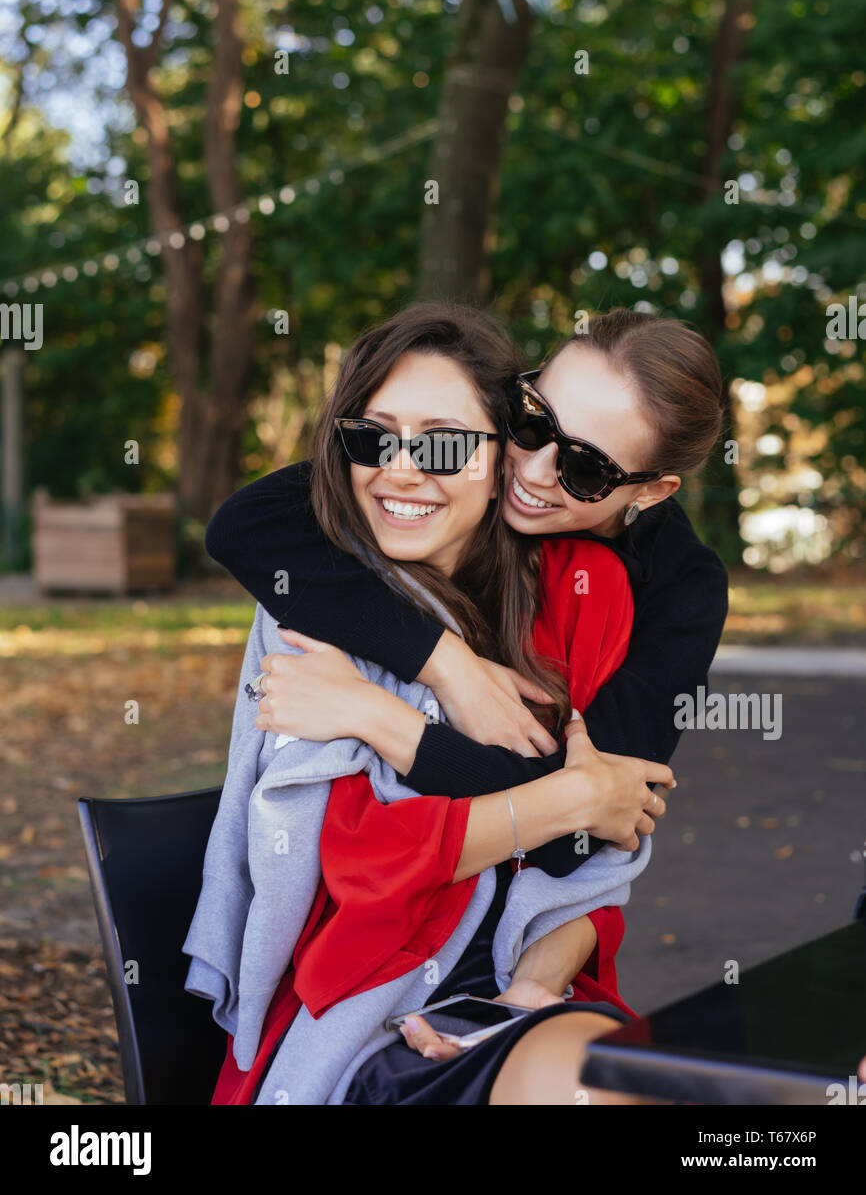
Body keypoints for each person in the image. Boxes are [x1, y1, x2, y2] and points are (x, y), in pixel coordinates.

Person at [187, 304, 674, 1105]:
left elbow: (590, 860)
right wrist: (571, 796)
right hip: (366, 997)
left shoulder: (574, 596)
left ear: (503, 462)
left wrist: (532, 988)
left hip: (524, 976)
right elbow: (365, 866)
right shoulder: (313, 606)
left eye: (444, 444)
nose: (402, 470)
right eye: (372, 439)